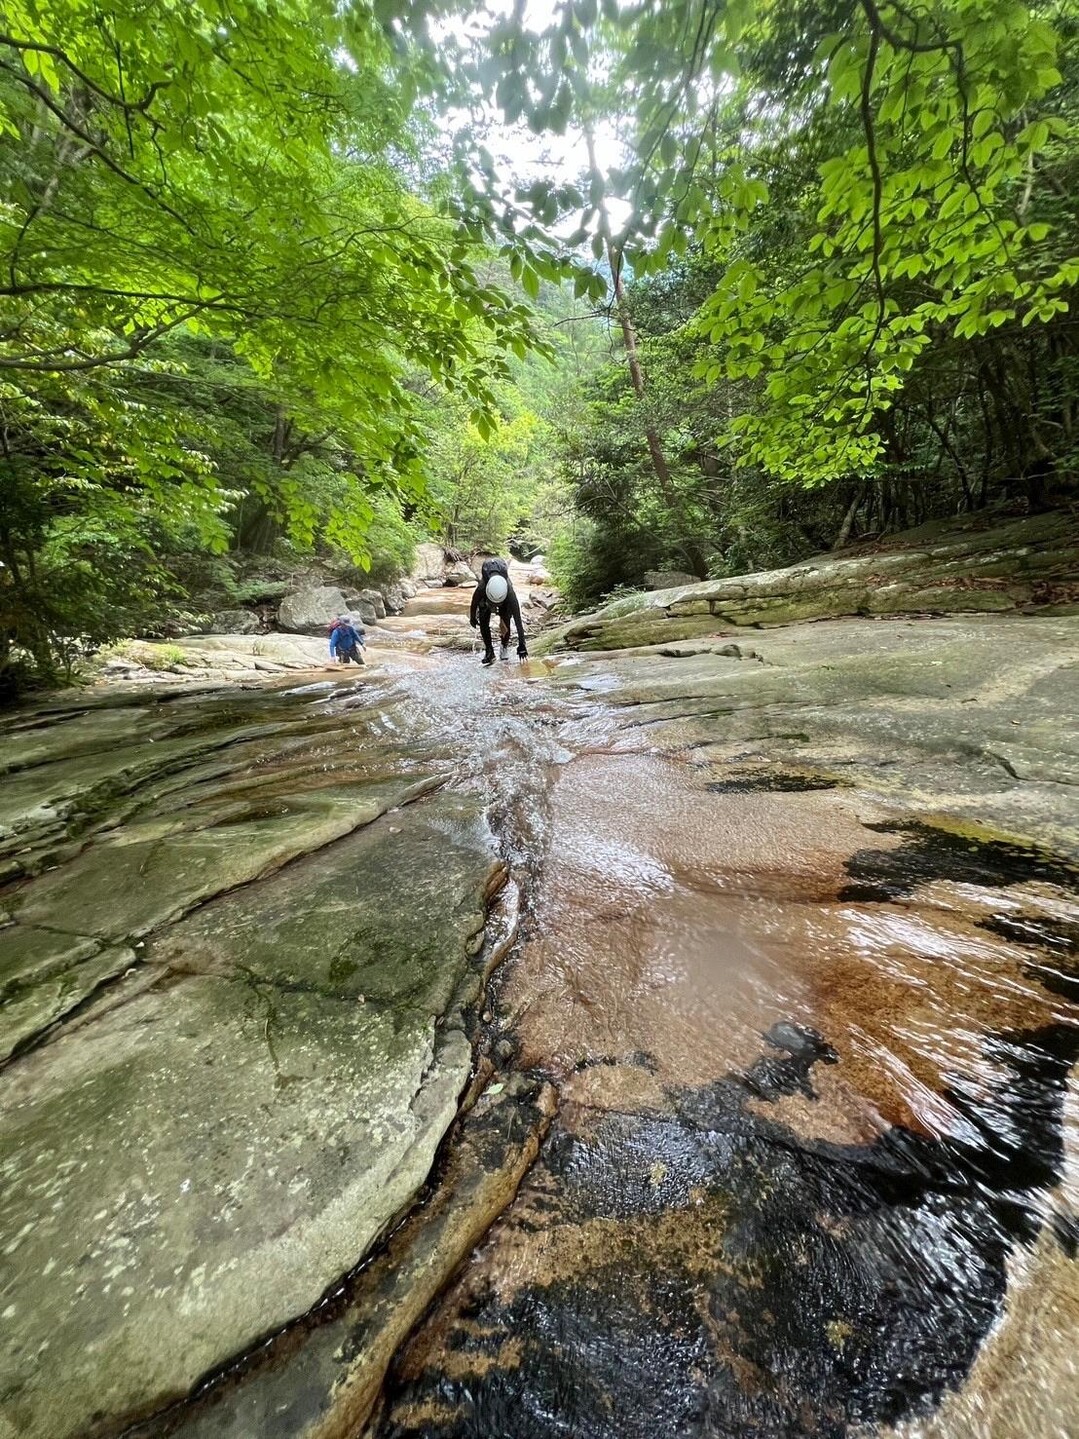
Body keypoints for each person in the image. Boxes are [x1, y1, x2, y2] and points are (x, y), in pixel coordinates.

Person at [469, 558, 527, 666]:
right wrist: (472, 617)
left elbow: (518, 621)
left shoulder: (509, 592)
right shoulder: (482, 588)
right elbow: (474, 602)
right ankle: (489, 652)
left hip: (505, 600)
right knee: (483, 618)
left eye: (498, 603)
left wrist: (522, 645)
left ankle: (504, 647)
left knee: (506, 622)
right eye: (494, 603)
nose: (496, 605)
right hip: (486, 599)